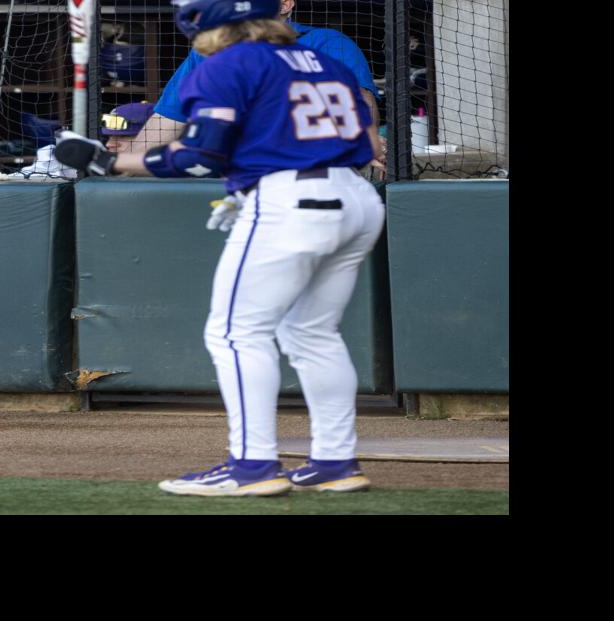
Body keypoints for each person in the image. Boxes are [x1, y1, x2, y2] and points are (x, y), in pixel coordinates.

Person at [55, 0, 385, 496]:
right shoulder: (325, 60)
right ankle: (335, 461)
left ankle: (251, 467)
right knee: (313, 333)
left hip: (288, 200)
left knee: (235, 333)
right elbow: (371, 141)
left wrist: (108, 162)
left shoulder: (231, 61)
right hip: (356, 200)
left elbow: (198, 157)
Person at [134, 0, 385, 177]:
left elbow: (362, 108)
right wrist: (121, 169)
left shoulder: (326, 41)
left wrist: (114, 162)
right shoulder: (206, 53)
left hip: (314, 175)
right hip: (249, 182)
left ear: (285, 5)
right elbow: (166, 121)